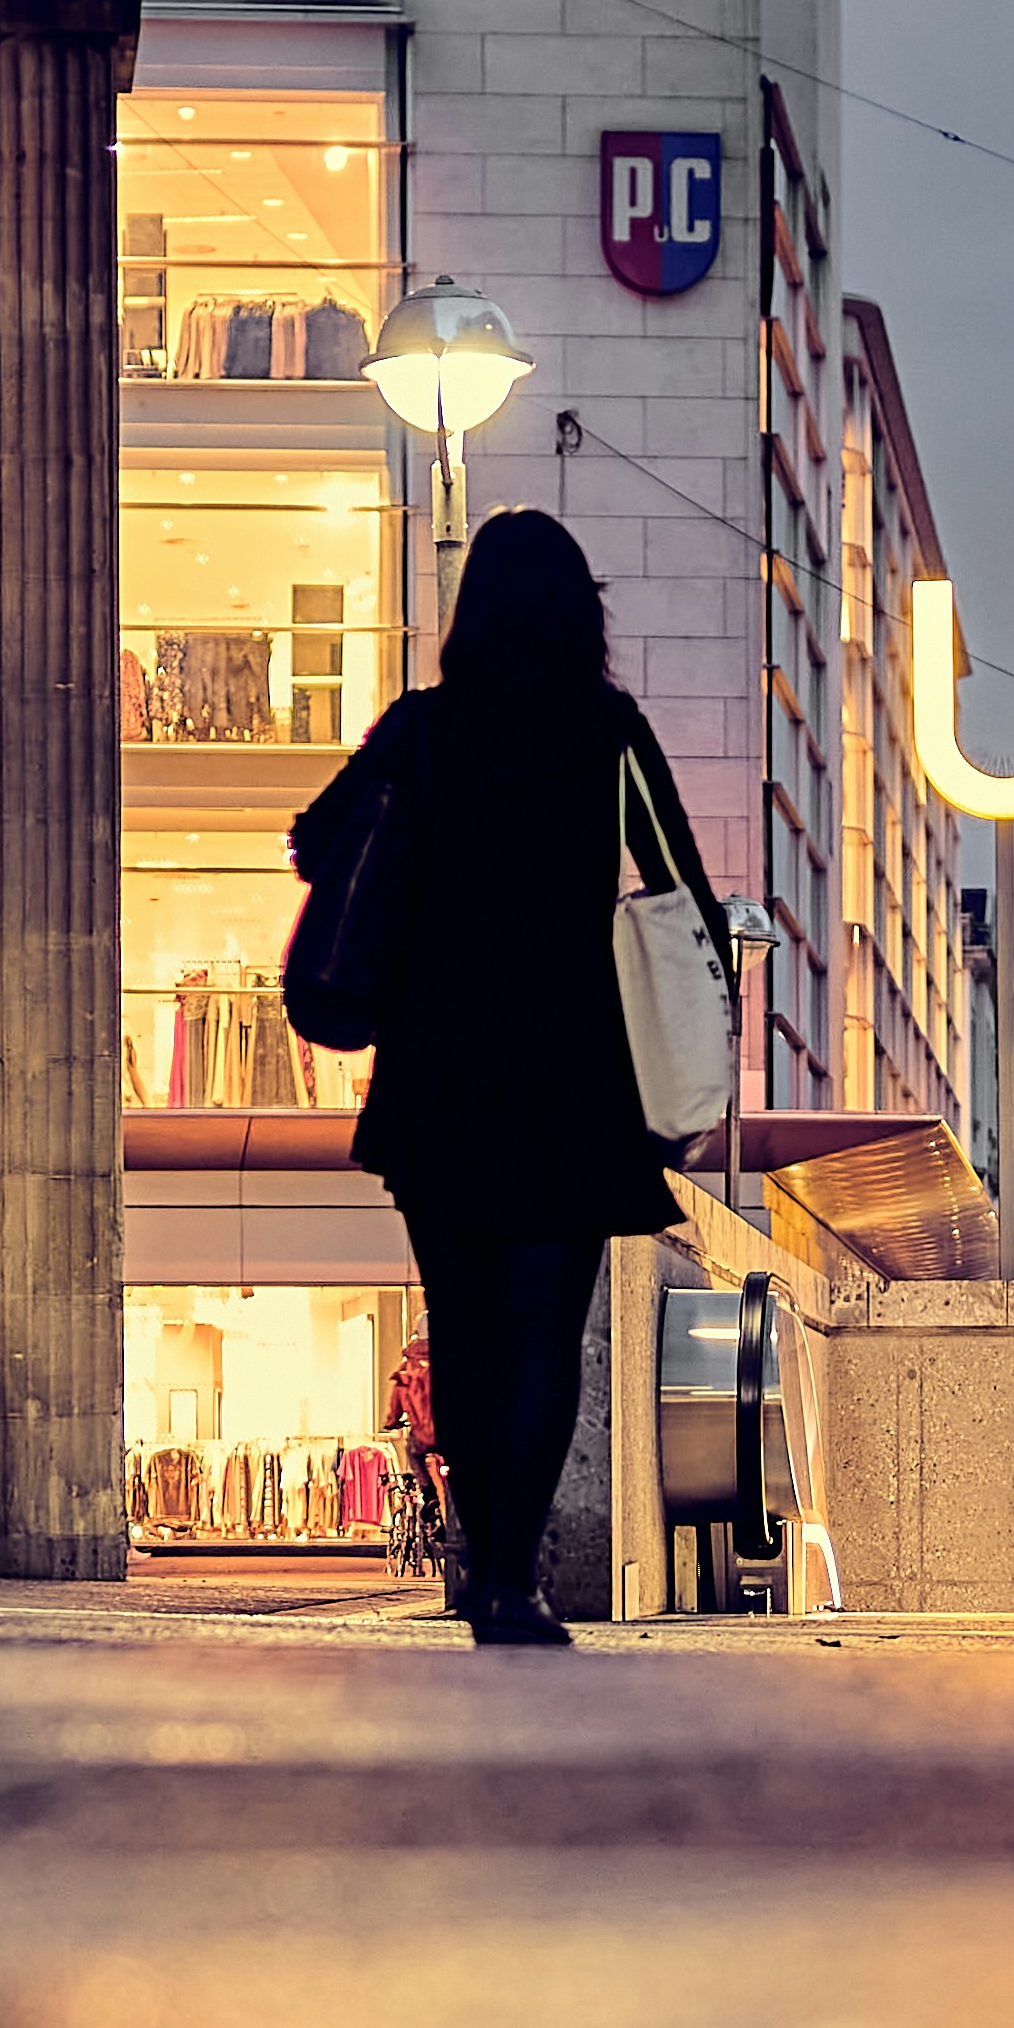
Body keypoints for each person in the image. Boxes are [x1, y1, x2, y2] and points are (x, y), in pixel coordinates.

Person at [284, 504, 729, 1650]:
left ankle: (484, 1571)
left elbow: (313, 837)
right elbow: (683, 896)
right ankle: (511, 1581)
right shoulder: (608, 732)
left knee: (464, 1329)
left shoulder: (422, 731)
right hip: (575, 1077)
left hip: (439, 1071)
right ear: (583, 617)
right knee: (541, 1334)